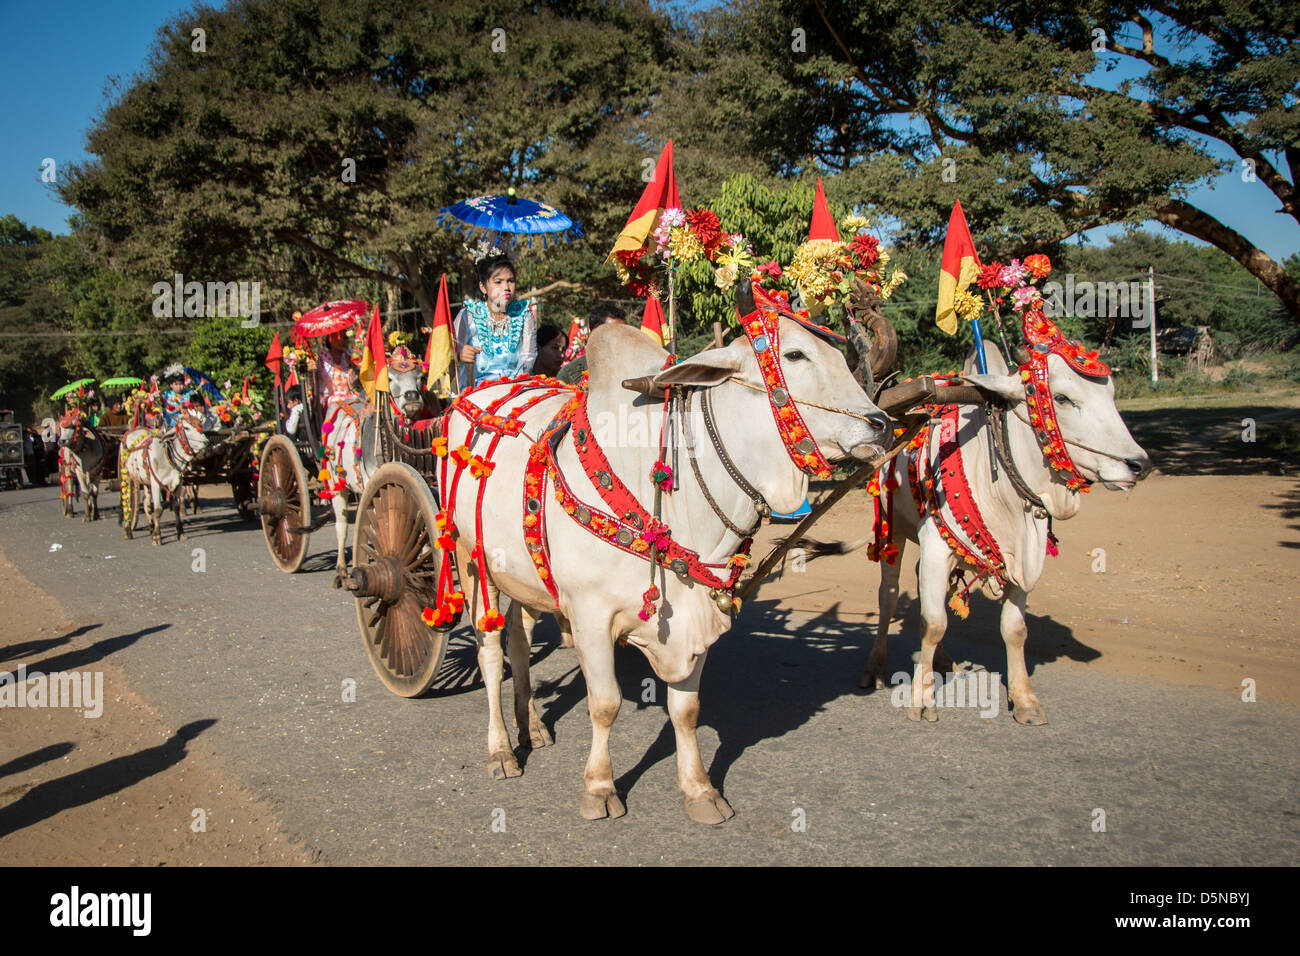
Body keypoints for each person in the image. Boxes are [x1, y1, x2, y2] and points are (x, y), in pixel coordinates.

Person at [453, 255, 537, 390]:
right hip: (476, 391)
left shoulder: (524, 314)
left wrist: (512, 388)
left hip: (516, 388)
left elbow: (528, 359)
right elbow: (449, 356)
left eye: (510, 281)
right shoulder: (468, 315)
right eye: (498, 282)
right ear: (483, 287)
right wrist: (460, 356)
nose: (506, 287)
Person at [557, 303, 626, 384]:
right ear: (594, 332)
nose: (620, 339)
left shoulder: (635, 368)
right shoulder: (570, 374)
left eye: (624, 332)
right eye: (613, 333)